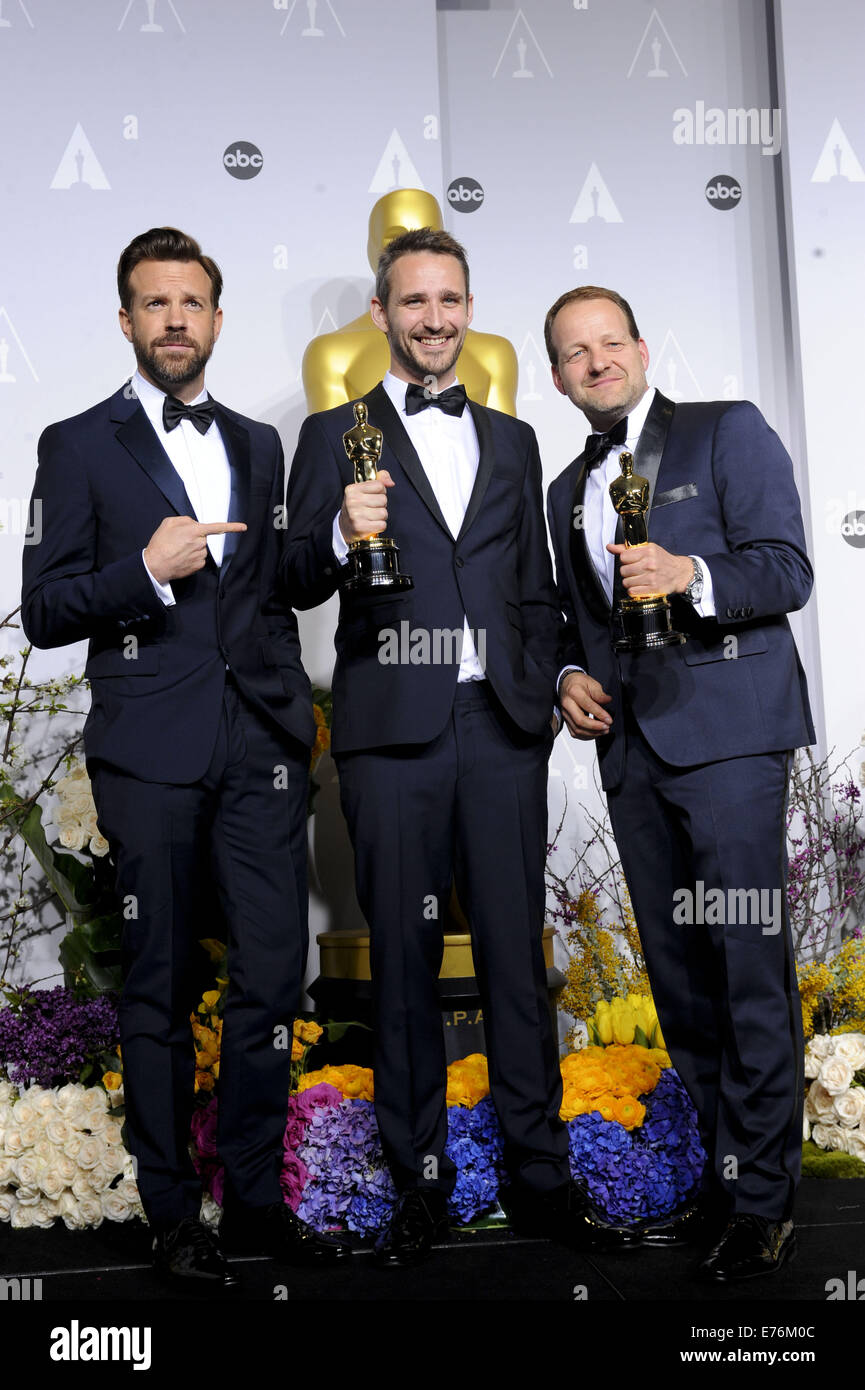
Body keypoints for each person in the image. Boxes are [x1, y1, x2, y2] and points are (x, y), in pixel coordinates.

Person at [285, 230, 633, 1265]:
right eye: (412, 301)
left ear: (466, 307)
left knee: (516, 965)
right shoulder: (328, 433)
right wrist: (343, 534)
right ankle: (417, 1183)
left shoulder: (516, 440)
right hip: (392, 734)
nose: (432, 317)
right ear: (384, 315)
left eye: (448, 299)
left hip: (501, 731)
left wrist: (558, 669)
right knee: (400, 962)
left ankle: (539, 1180)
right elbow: (293, 575)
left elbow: (534, 585)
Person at [21, 226, 346, 1290]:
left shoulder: (259, 442)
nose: (173, 319)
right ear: (126, 321)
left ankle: (253, 1197)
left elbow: (284, 582)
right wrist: (145, 571)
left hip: (260, 741)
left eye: (190, 302)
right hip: (149, 751)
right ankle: (171, 1210)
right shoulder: (76, 443)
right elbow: (46, 609)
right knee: (157, 983)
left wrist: (338, 543)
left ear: (216, 316)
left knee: (271, 974)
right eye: (153, 304)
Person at [544, 285, 815, 1281]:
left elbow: (784, 570)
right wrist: (565, 674)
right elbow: (574, 620)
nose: (595, 360)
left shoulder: (724, 432)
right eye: (573, 351)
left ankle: (764, 1201)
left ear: (641, 348)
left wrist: (689, 574)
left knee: (746, 967)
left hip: (731, 741)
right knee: (683, 983)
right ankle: (723, 1177)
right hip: (631, 754)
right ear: (559, 373)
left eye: (608, 341)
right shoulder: (562, 485)